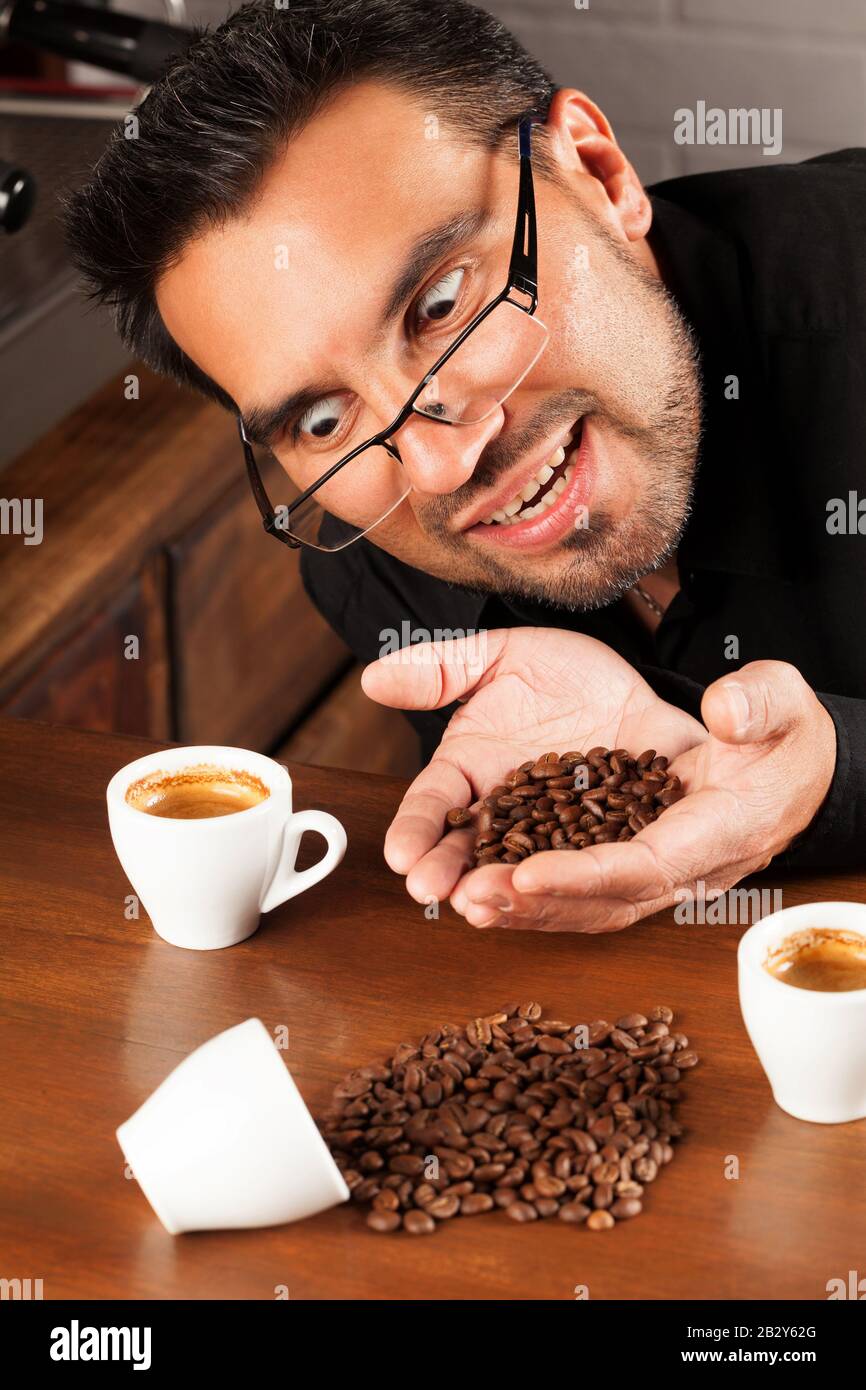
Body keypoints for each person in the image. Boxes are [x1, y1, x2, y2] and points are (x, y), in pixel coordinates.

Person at [65, 0, 865, 933]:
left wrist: (838, 773)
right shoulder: (370, 554)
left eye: (442, 303)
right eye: (323, 417)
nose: (440, 464)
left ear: (598, 175)